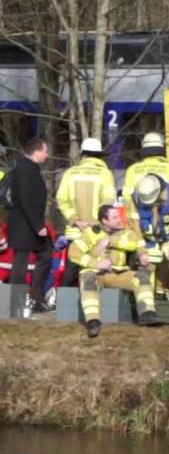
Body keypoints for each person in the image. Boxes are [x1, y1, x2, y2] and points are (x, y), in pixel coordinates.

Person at [68, 204, 158, 338]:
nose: (119, 219)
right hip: (94, 273)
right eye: (115, 217)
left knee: (141, 277)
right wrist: (97, 263)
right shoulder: (91, 233)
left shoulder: (126, 232)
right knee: (88, 281)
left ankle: (148, 314)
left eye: (119, 216)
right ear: (104, 221)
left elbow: (136, 244)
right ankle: (93, 322)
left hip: (118, 273)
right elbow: (73, 253)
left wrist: (142, 254)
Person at [55, 137, 116, 284]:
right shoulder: (105, 174)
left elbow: (62, 200)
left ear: (83, 154)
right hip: (96, 232)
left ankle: (63, 303)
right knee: (94, 270)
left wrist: (76, 220)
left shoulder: (71, 173)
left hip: (75, 231)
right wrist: (95, 224)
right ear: (100, 155)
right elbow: (108, 202)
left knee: (71, 268)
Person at [7, 137, 52, 314]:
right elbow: (26, 200)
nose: (47, 155)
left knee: (46, 255)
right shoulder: (24, 169)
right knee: (20, 263)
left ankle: (36, 299)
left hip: (30, 224)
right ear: (37, 151)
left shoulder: (30, 168)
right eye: (45, 151)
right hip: (24, 225)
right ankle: (15, 303)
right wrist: (37, 225)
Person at [127, 173, 169, 299]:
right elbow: (135, 227)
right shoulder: (133, 198)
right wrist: (141, 252)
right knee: (145, 272)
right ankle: (149, 301)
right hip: (148, 241)